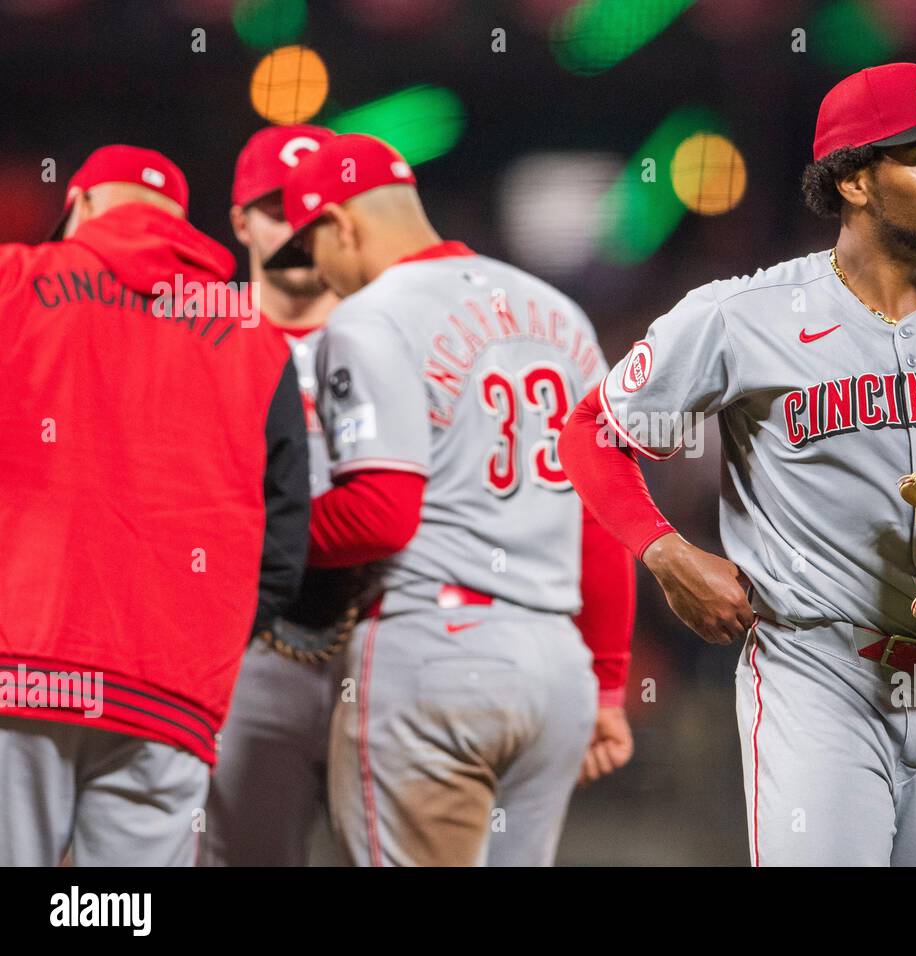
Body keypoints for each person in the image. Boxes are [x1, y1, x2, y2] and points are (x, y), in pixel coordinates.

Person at [559, 63, 916, 866]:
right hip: (817, 672)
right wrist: (666, 552)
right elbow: (591, 430)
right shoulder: (746, 315)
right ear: (857, 181)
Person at [264, 132, 636, 866]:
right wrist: (611, 681)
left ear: (341, 224)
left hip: (436, 653)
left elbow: (380, 512)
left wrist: (253, 529)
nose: (318, 273)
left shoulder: (370, 317)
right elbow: (599, 516)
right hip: (556, 667)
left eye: (312, 247)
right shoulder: (560, 314)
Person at [0, 144, 309, 865]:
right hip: (171, 689)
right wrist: (207, 635)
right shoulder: (253, 337)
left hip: (21, 664)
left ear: (76, 205)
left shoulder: (14, 280)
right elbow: (285, 541)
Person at [202, 124, 347, 867]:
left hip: (386, 638)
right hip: (245, 644)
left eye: (316, 207)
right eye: (276, 207)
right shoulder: (192, 333)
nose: (296, 225)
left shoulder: (398, 329)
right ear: (239, 220)